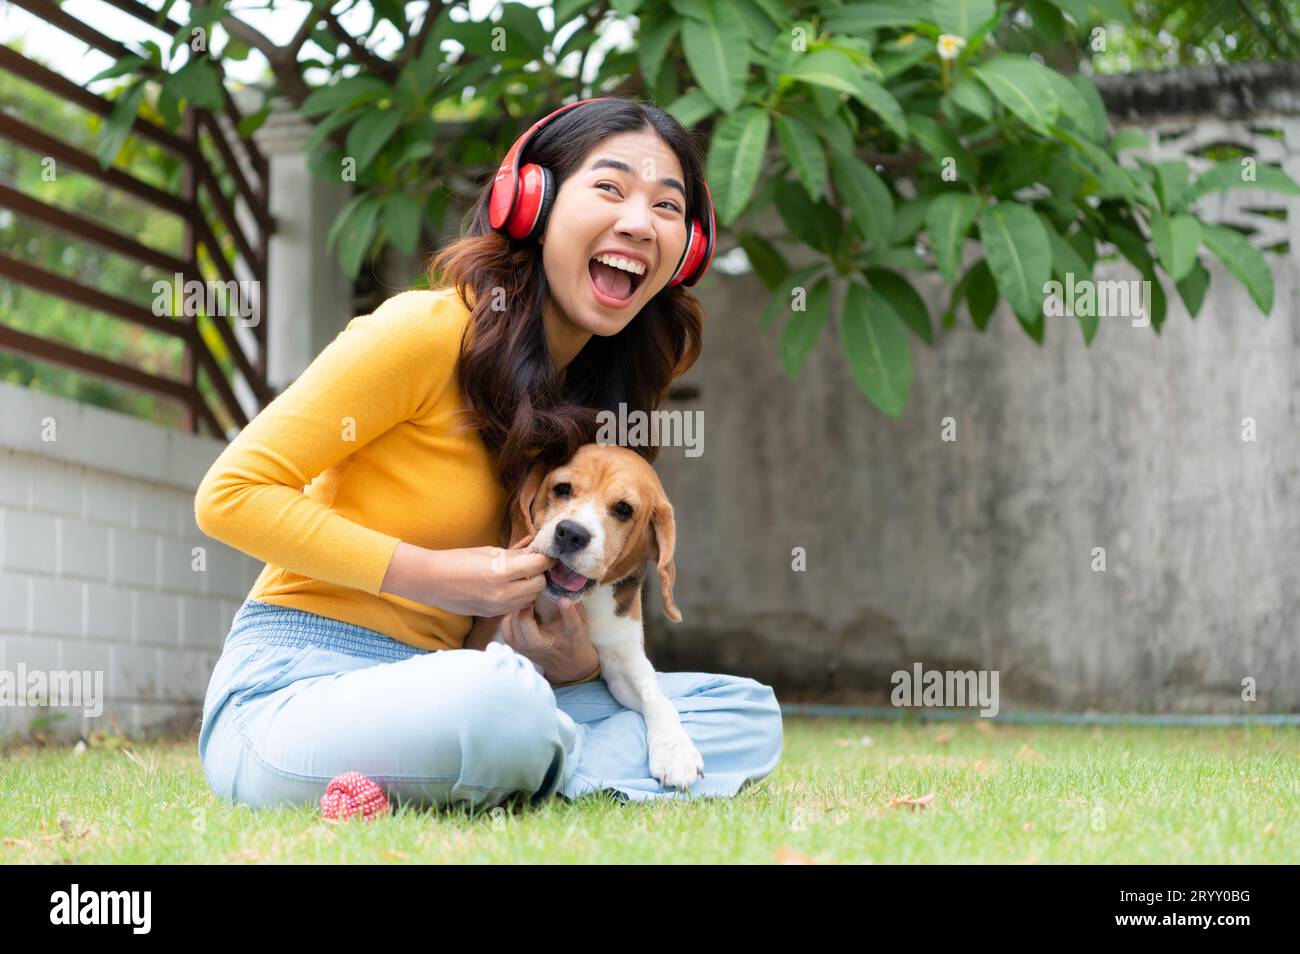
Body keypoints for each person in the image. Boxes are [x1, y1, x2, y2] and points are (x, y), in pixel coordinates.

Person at [194, 97, 783, 814]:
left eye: (667, 205)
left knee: (743, 710)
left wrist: (580, 665)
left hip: (454, 682)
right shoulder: (423, 332)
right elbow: (229, 495)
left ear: (685, 251)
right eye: (609, 187)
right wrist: (436, 578)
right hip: (297, 686)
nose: (637, 221)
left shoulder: (588, 412)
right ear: (530, 201)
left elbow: (559, 635)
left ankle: (487, 770)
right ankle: (519, 758)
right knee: (500, 706)